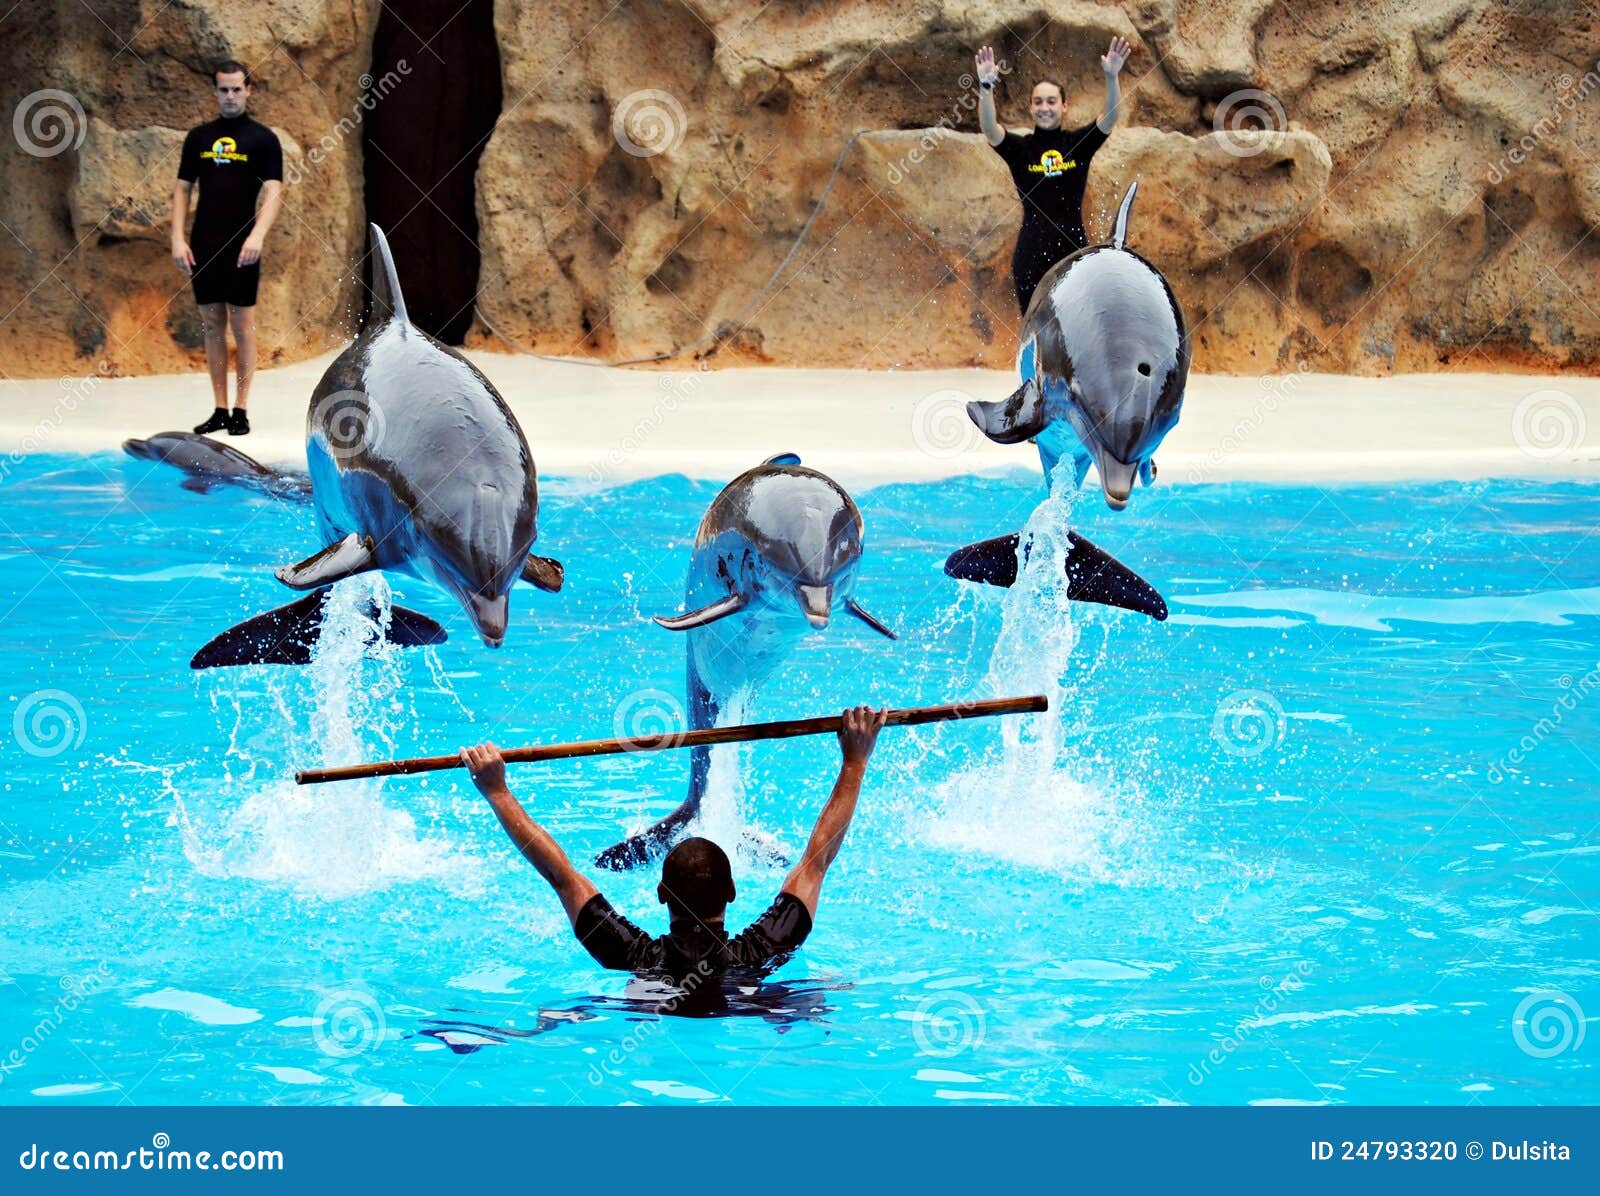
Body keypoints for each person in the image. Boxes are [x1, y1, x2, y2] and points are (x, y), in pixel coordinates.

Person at [460, 705, 889, 988]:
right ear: (732, 891)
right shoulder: (758, 954)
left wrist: (497, 791)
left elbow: (561, 876)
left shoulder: (635, 958)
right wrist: (855, 760)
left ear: (661, 893)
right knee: (818, 993)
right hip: (747, 1010)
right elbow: (816, 862)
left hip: (641, 1016)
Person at [974, 37, 1132, 314]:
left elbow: (1109, 118)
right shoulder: (1021, 149)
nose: (1044, 107)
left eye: (1051, 101)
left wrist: (1111, 77)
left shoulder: (1077, 145)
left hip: (1073, 257)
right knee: (1036, 327)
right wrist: (986, 87)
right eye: (1038, 102)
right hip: (1031, 258)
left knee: (1078, 325)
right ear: (1030, 108)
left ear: (1064, 106)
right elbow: (989, 129)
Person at [171, 60, 284, 437]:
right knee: (211, 325)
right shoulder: (199, 138)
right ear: (215, 91)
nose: (230, 96)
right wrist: (177, 237)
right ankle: (220, 408)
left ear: (248, 90)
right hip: (204, 243)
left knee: (242, 326)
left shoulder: (263, 139)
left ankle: (241, 409)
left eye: (237, 89)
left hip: (243, 246)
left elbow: (274, 190)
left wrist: (258, 235)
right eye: (224, 90)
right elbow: (183, 188)